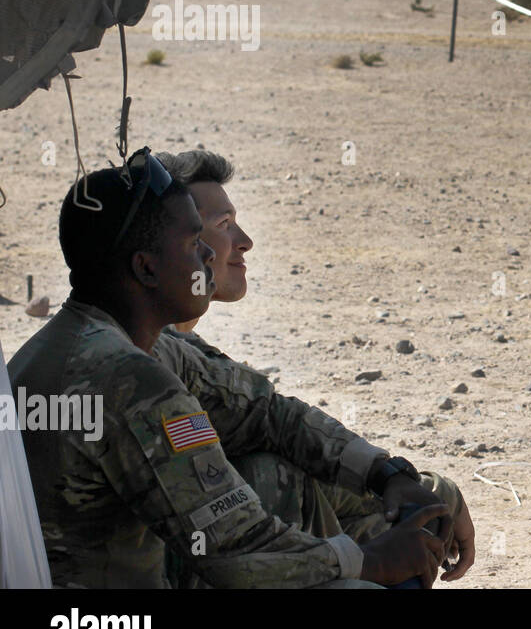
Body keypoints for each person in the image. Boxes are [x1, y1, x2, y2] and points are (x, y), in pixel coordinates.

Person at [7, 150, 448, 588]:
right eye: (192, 241)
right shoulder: (126, 379)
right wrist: (365, 561)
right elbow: (232, 550)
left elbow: (262, 411)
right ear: (146, 268)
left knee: (277, 472)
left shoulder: (101, 344)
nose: (206, 255)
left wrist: (382, 472)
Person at [150, 149, 475, 580]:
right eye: (223, 225)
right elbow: (263, 473)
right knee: (273, 473)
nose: (244, 241)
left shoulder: (179, 348)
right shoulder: (149, 357)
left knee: (395, 518)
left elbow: (275, 418)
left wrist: (422, 490)